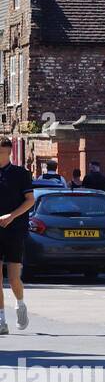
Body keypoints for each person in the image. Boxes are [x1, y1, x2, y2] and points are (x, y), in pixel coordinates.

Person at [0, 138, 35, 333]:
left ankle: (20, 304)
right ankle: (1, 320)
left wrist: (11, 216)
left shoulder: (21, 174)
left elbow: (30, 200)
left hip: (14, 230)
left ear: (7, 151)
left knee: (13, 278)